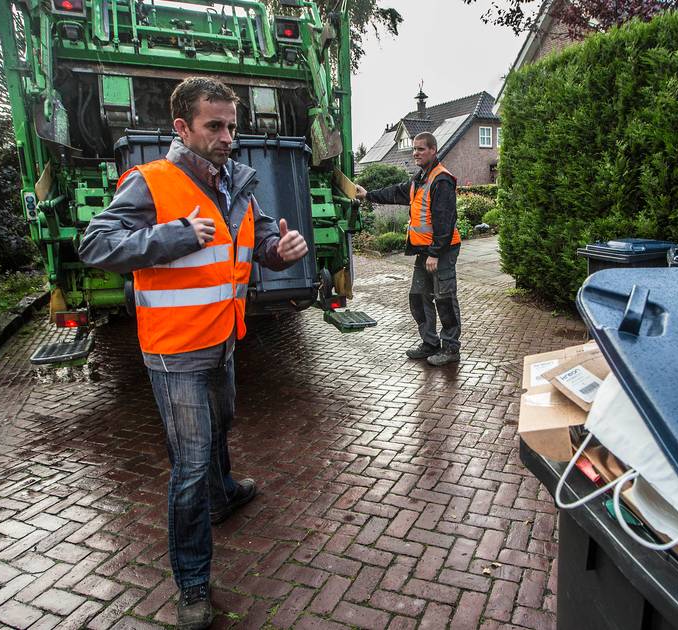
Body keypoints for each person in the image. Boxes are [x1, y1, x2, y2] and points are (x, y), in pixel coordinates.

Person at [78, 77, 308, 630]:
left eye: (232, 126)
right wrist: (176, 235)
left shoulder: (238, 184)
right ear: (182, 127)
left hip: (222, 339)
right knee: (190, 466)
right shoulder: (151, 182)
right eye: (215, 126)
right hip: (174, 351)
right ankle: (193, 585)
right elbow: (95, 244)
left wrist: (280, 252)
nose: (228, 137)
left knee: (222, 424)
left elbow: (253, 249)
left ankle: (224, 494)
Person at [355, 131, 462, 366]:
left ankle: (451, 348)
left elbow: (445, 220)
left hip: (441, 251)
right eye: (414, 149)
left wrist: (435, 253)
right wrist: (368, 195)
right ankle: (430, 343)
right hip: (424, 251)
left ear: (433, 150)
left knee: (444, 299)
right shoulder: (419, 179)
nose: (415, 153)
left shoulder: (441, 180)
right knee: (418, 296)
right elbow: (395, 192)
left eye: (421, 149)